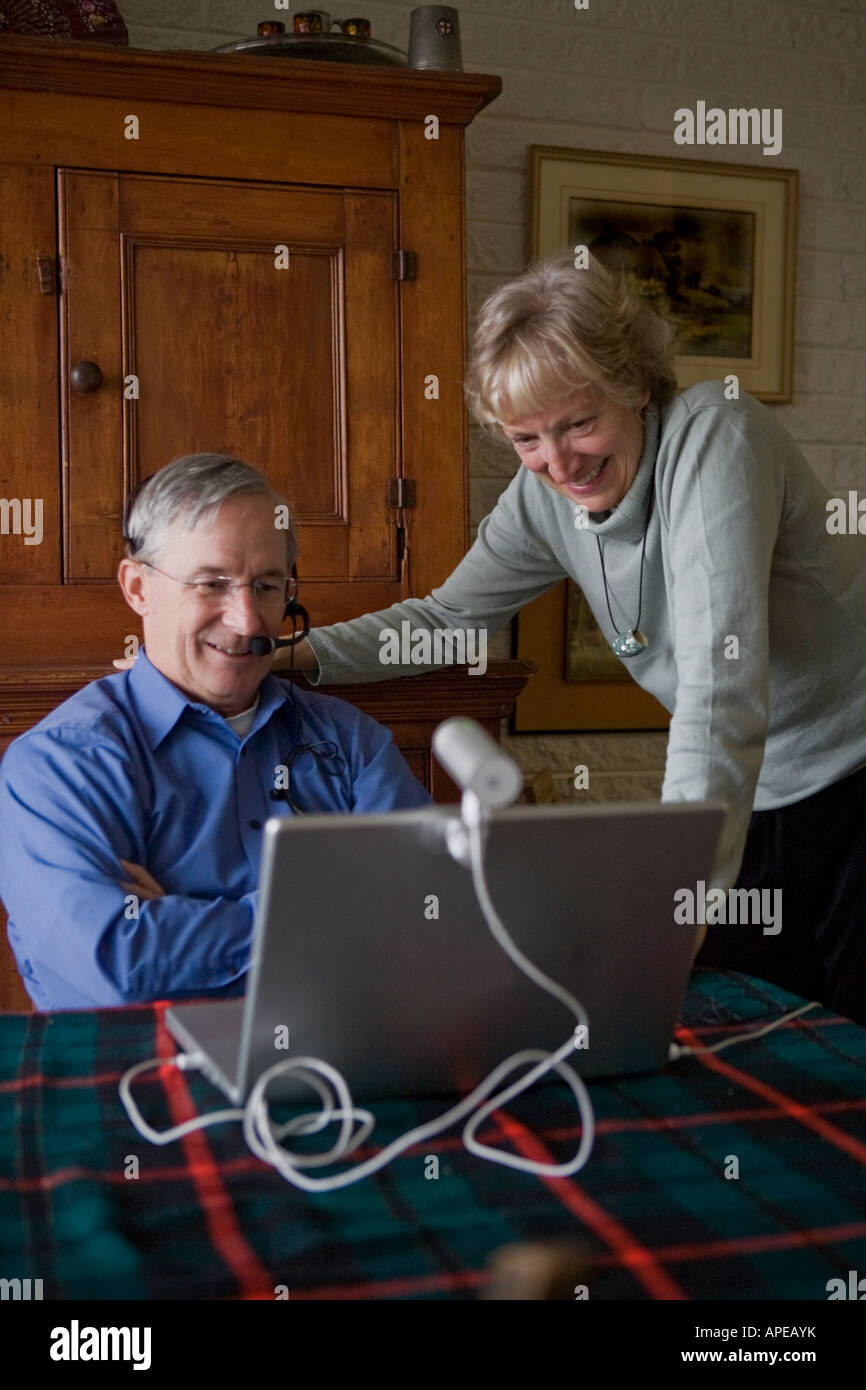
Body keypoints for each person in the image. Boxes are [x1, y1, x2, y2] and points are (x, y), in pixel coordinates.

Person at [275, 251, 866, 1023]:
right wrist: (293, 660)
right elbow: (447, 621)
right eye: (526, 438)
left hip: (854, 774)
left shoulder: (717, 436)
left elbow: (722, 687)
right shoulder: (543, 496)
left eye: (579, 423)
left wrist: (671, 906)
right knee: (753, 1041)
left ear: (635, 387)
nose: (559, 463)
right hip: (759, 795)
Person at [0, 455, 429, 1010]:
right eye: (211, 583)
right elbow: (113, 968)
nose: (248, 622)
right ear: (138, 588)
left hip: (345, 1072)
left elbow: (430, 924)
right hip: (141, 1082)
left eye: (268, 586)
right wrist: (339, 923)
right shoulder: (61, 765)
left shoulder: (355, 746)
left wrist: (178, 926)